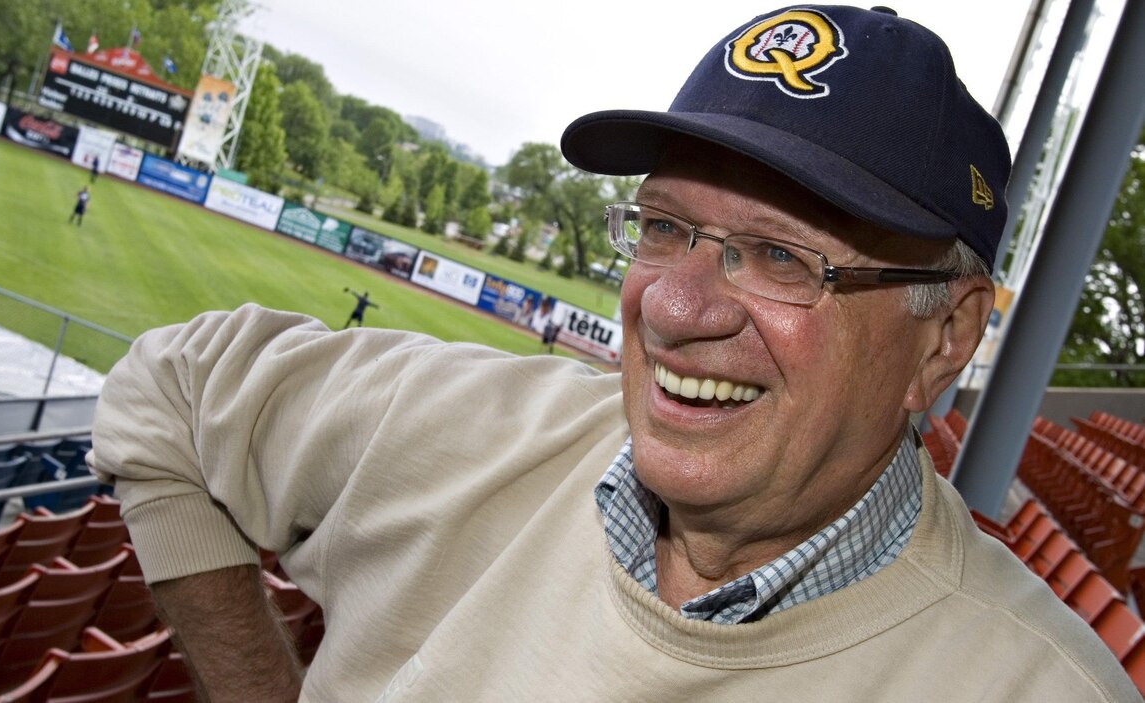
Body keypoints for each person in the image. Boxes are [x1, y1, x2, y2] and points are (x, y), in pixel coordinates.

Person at [88, 5, 1140, 701]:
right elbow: (166, 388)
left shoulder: (1032, 686)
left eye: (778, 256)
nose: (674, 305)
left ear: (943, 336)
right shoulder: (474, 428)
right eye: (662, 228)